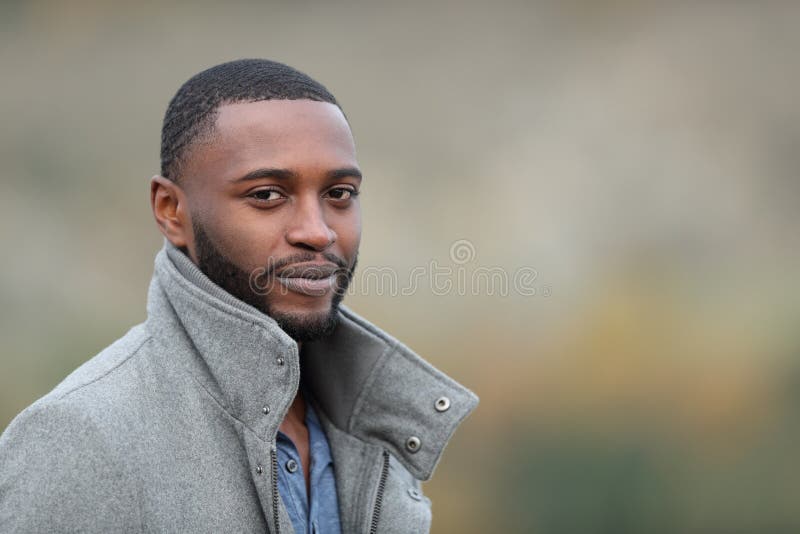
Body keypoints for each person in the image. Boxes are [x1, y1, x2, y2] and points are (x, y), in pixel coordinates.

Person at [0, 59, 478, 533]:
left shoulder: (373, 426)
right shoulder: (79, 436)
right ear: (170, 210)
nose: (317, 232)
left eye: (339, 193)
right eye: (267, 195)